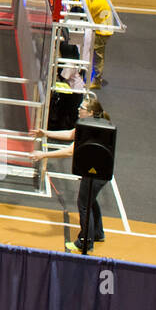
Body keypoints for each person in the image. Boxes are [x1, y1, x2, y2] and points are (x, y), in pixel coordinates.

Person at [31, 96, 112, 254]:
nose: (78, 109)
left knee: (83, 204)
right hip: (97, 170)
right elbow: (70, 134)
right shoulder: (87, 124)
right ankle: (97, 233)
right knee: (90, 200)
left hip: (96, 173)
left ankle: (85, 242)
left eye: (81, 107)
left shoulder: (92, 128)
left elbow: (69, 151)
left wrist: (43, 155)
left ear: (90, 112)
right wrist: (44, 133)